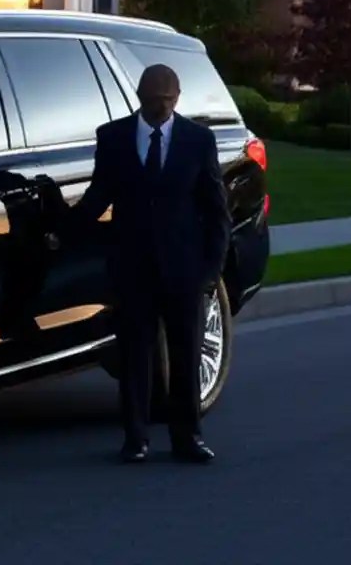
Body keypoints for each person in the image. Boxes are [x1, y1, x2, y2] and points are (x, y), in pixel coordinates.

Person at [54, 63, 230, 464]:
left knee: (186, 354)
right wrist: (62, 229)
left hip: (184, 269)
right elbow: (99, 196)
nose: (159, 109)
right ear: (139, 99)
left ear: (178, 99)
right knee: (135, 355)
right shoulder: (114, 138)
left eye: (166, 102)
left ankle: (188, 438)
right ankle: (136, 438)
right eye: (152, 102)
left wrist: (210, 269)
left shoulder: (198, 141)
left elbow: (216, 211)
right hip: (133, 268)